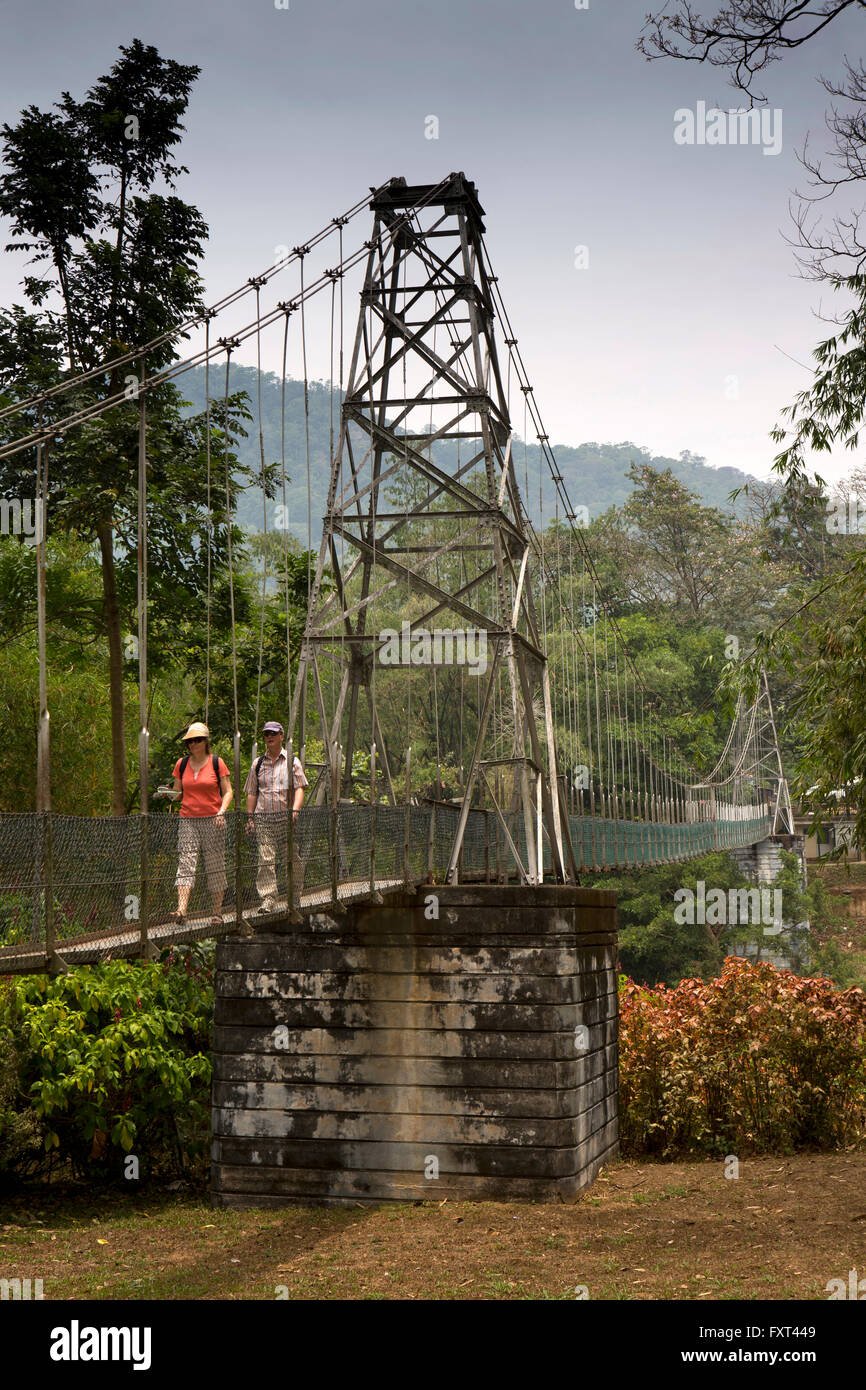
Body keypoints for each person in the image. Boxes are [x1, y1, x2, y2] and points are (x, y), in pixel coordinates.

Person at [170, 722, 232, 926]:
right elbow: (178, 794)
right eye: (189, 741)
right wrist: (168, 794)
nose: (193, 744)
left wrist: (221, 812)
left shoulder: (217, 762)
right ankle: (181, 910)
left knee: (214, 865)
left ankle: (217, 912)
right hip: (188, 819)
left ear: (206, 742)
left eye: (197, 740)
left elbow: (228, 792)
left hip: (213, 820)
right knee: (186, 862)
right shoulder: (181, 764)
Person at [244, 721, 308, 914]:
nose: (269, 737)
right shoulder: (258, 764)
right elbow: (252, 792)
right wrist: (250, 818)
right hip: (264, 818)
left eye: (273, 733)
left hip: (286, 819)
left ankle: (294, 896)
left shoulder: (292, 761)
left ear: (281, 736)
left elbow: (299, 788)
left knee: (291, 858)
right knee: (265, 859)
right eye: (266, 734)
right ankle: (268, 899)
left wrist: (295, 810)